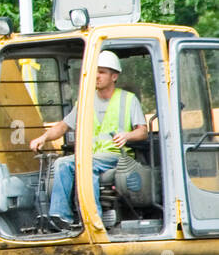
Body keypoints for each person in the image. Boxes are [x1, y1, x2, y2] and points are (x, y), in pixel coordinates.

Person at [28, 50, 147, 227]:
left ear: (114, 76)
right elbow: (63, 126)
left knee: (82, 165)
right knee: (63, 164)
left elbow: (142, 131)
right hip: (90, 157)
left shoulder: (128, 100)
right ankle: (62, 217)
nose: (96, 76)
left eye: (102, 72)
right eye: (95, 71)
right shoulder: (85, 100)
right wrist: (44, 137)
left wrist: (127, 135)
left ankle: (91, 219)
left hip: (117, 157)